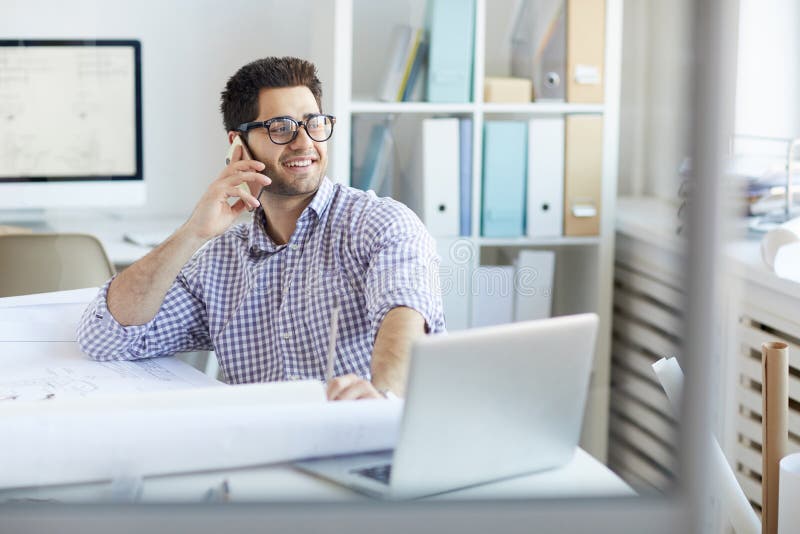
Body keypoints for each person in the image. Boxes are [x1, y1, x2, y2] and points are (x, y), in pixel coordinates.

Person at [77, 56, 445, 400]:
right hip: (261, 454)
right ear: (239, 144)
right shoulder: (219, 263)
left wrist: (383, 398)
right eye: (281, 128)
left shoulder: (379, 225)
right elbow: (107, 339)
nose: (305, 142)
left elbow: (406, 318)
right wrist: (194, 232)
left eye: (314, 124)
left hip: (363, 442)